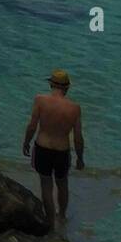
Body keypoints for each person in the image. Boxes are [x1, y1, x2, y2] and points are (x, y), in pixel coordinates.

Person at [23, 69, 85, 226]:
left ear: (51, 84)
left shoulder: (40, 100)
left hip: (43, 147)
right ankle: (62, 216)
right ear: (67, 87)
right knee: (62, 183)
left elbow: (32, 125)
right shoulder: (75, 108)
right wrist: (80, 158)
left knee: (46, 184)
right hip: (62, 151)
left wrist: (26, 142)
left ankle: (50, 221)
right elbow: (78, 138)